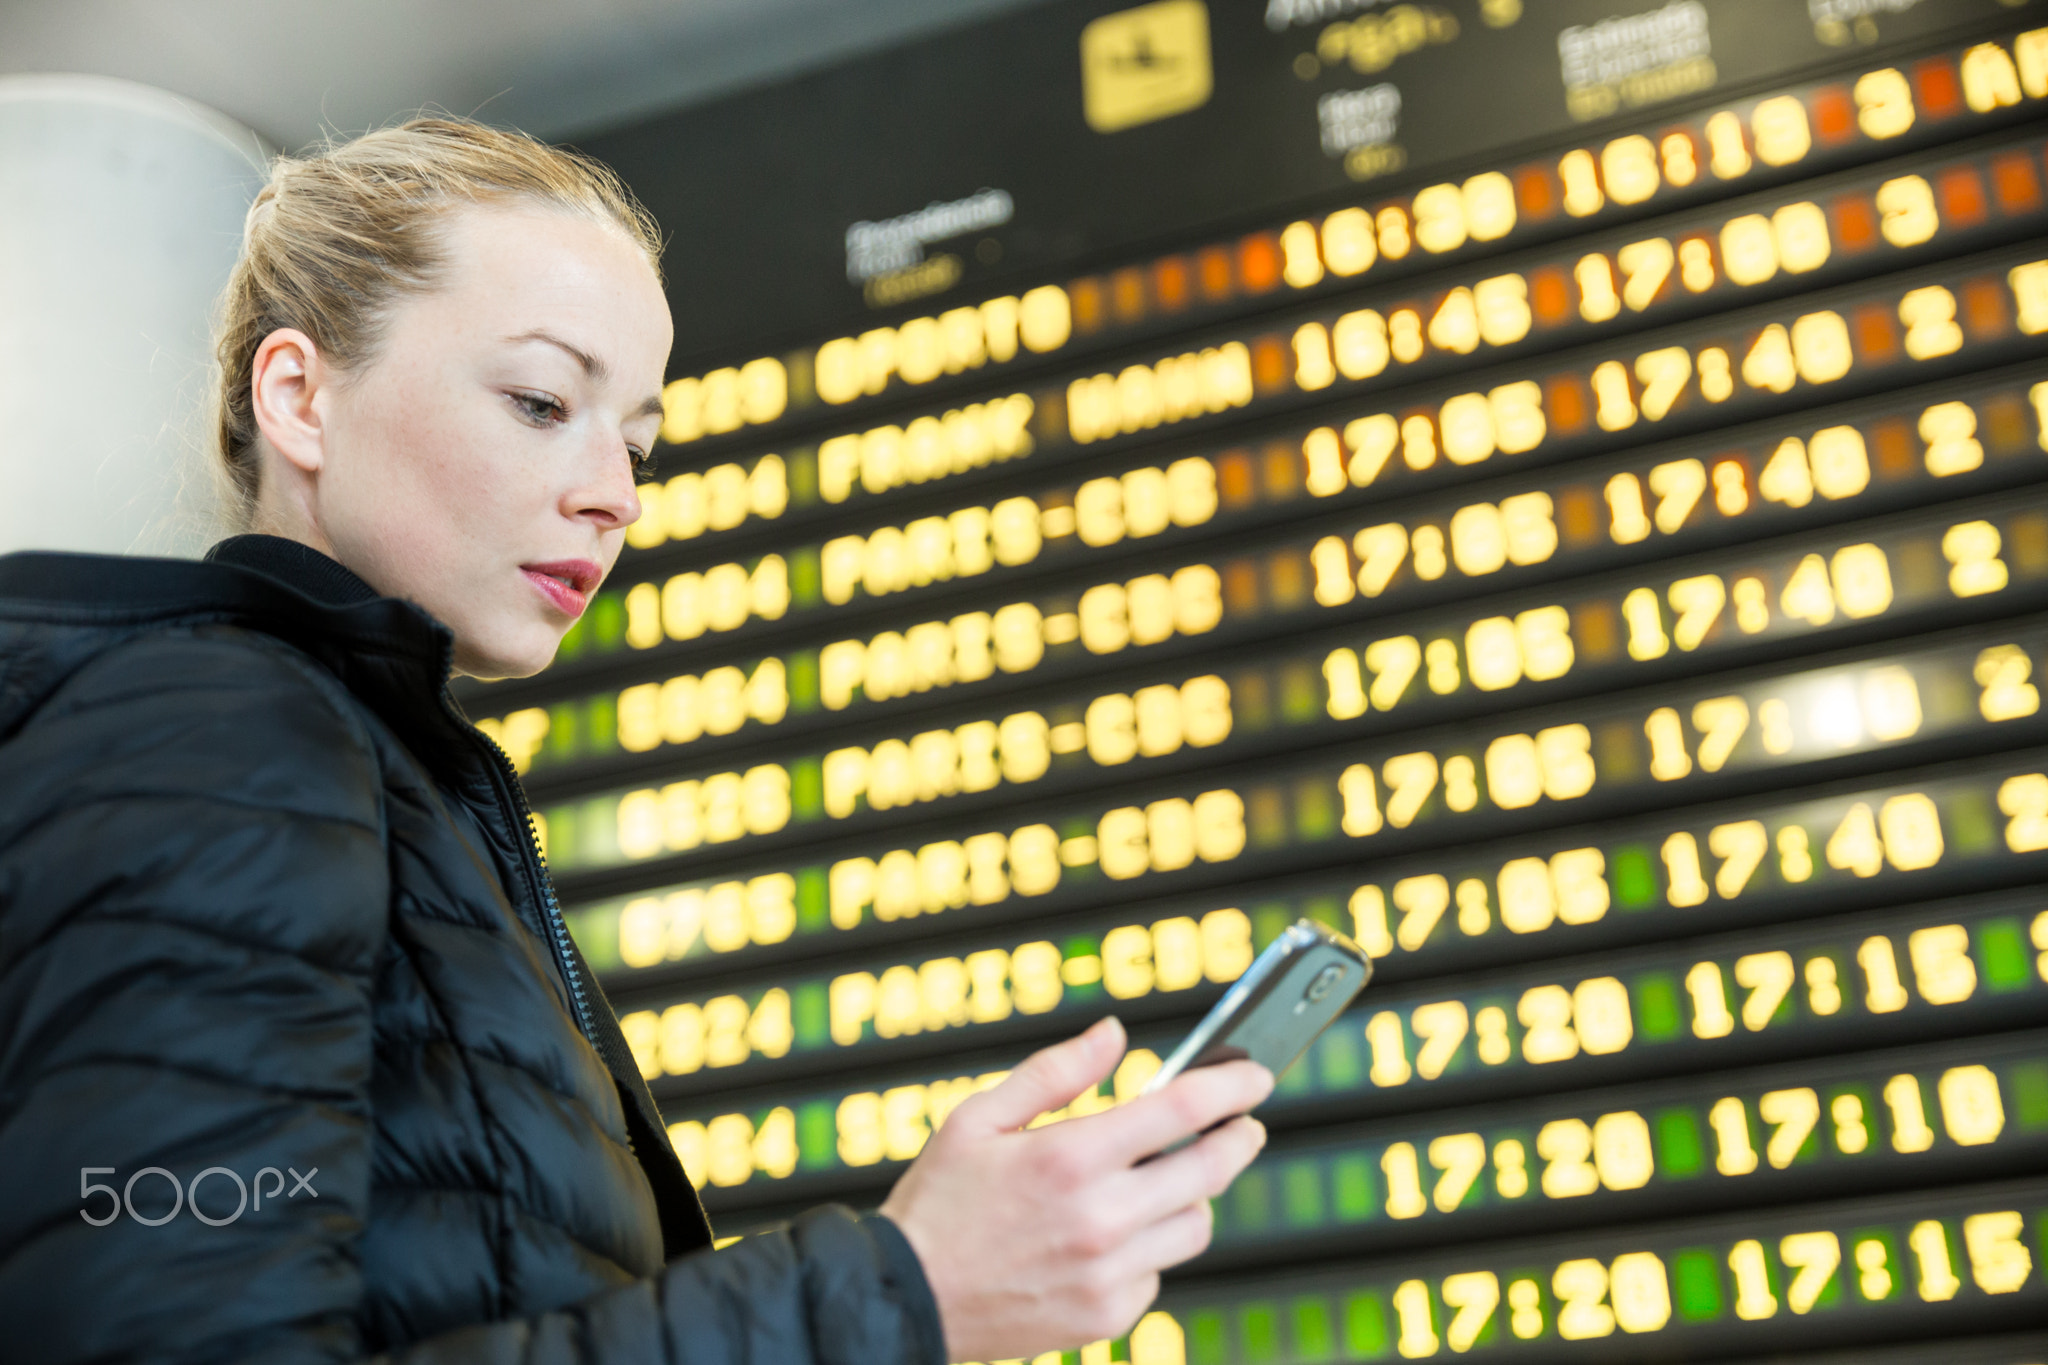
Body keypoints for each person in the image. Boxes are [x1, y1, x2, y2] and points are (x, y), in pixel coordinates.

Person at [0, 117, 1272, 1364]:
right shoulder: (217, 733)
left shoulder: (387, 793)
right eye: (543, 401)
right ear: (300, 397)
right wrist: (900, 1292)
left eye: (639, 440)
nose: (617, 493)